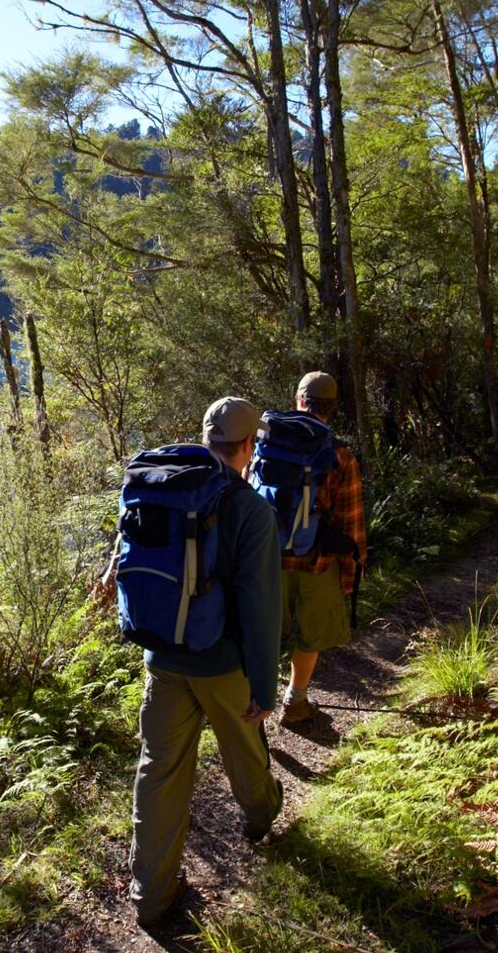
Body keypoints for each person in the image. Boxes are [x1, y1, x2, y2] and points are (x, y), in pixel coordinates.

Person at [128, 397, 284, 927]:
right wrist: (264, 686)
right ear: (247, 446)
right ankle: (262, 818)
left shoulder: (161, 487)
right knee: (244, 750)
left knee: (159, 771)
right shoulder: (251, 509)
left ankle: (151, 896)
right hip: (221, 665)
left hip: (163, 657)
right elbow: (262, 606)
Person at [278, 371, 368, 726]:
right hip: (317, 562)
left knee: (264, 632)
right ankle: (294, 701)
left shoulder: (265, 444)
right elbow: (351, 521)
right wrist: (351, 574)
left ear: (299, 400)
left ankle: (250, 707)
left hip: (268, 561)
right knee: (310, 635)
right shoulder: (340, 455)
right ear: (332, 407)